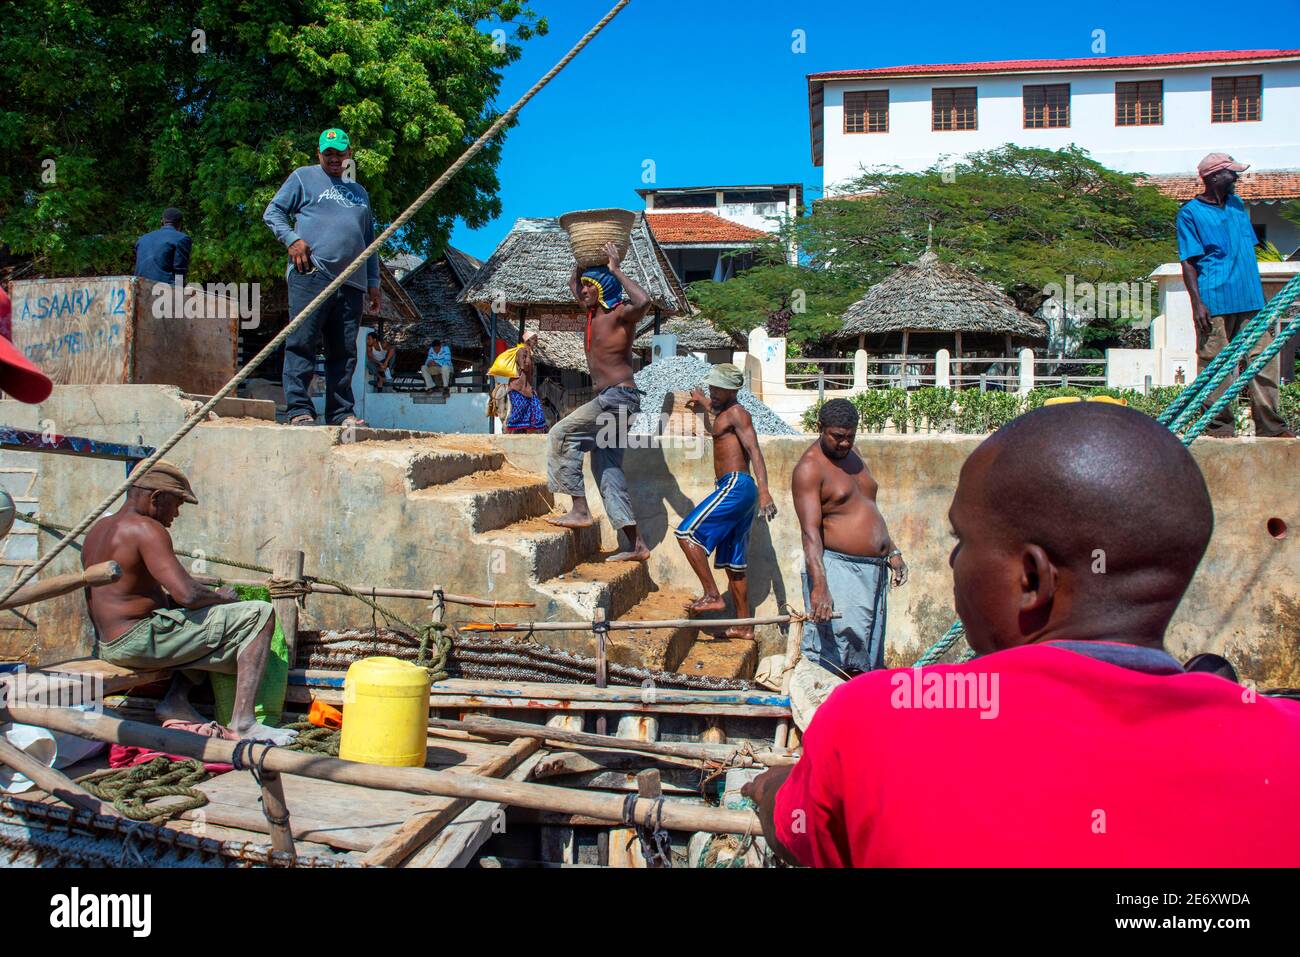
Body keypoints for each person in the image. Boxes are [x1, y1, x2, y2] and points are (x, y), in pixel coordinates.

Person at [744, 402, 1300, 866]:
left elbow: (796, 824)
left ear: (1031, 579)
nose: (955, 559)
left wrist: (767, 788)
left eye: (962, 540)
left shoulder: (873, 721)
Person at [82, 461, 296, 744]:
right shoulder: (147, 529)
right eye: (176, 503)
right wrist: (222, 598)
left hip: (110, 643)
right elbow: (189, 595)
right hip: (139, 642)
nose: (177, 513)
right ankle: (244, 722)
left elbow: (135, 594)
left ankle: (176, 701)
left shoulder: (98, 529)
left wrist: (205, 605)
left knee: (199, 619)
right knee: (260, 613)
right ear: (156, 498)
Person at [788, 398, 906, 728]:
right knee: (837, 657)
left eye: (850, 436)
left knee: (864, 656)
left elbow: (867, 506)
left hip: (871, 573)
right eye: (837, 436)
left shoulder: (853, 458)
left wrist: (892, 551)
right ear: (820, 429)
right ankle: (829, 731)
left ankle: (859, 728)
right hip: (838, 570)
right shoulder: (810, 468)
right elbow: (810, 534)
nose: (844, 442)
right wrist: (820, 588)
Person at [264, 128, 381, 428]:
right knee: (302, 342)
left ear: (349, 155)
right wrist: (291, 238)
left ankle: (342, 414)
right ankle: (299, 410)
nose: (334, 159)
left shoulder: (360, 192)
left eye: (339, 154)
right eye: (328, 153)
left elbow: (369, 243)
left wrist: (374, 283)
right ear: (319, 154)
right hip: (311, 274)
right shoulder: (303, 177)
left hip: (352, 283)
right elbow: (273, 212)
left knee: (344, 351)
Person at [545, 242, 652, 562]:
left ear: (603, 288)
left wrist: (616, 269)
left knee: (562, 434)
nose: (582, 292)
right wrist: (580, 263)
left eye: (589, 287)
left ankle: (579, 510)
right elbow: (573, 286)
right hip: (613, 400)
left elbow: (644, 301)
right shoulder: (591, 315)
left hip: (620, 397)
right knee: (607, 469)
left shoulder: (620, 314)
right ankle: (636, 545)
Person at [1177, 152, 1293, 438]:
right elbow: (1188, 262)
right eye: (1232, 173)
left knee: (1263, 361)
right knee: (1216, 365)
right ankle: (1219, 427)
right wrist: (1197, 304)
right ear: (1214, 176)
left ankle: (1271, 427)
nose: (1237, 177)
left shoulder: (1238, 205)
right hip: (1214, 300)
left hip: (1251, 299)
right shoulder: (1190, 213)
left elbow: (1244, 250)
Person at [675, 364, 776, 638]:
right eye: (711, 388)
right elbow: (715, 418)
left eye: (716, 389)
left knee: (686, 533)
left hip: (736, 484)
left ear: (731, 390)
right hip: (735, 488)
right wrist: (702, 402)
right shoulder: (724, 412)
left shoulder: (738, 413)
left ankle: (711, 595)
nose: (712, 392)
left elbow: (754, 450)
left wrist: (765, 490)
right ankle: (744, 627)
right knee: (735, 566)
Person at [132, 208, 191, 285]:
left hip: (138, 286)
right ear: (180, 224)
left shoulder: (143, 238)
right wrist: (179, 290)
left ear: (162, 221)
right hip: (164, 289)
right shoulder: (181, 238)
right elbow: (180, 269)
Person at [503, 332, 546, 434]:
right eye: (534, 340)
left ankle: (528, 437)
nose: (536, 342)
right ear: (527, 340)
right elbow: (523, 367)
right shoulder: (521, 351)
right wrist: (528, 355)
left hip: (527, 389)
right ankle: (507, 435)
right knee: (518, 412)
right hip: (517, 389)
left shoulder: (530, 353)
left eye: (536, 340)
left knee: (537, 411)